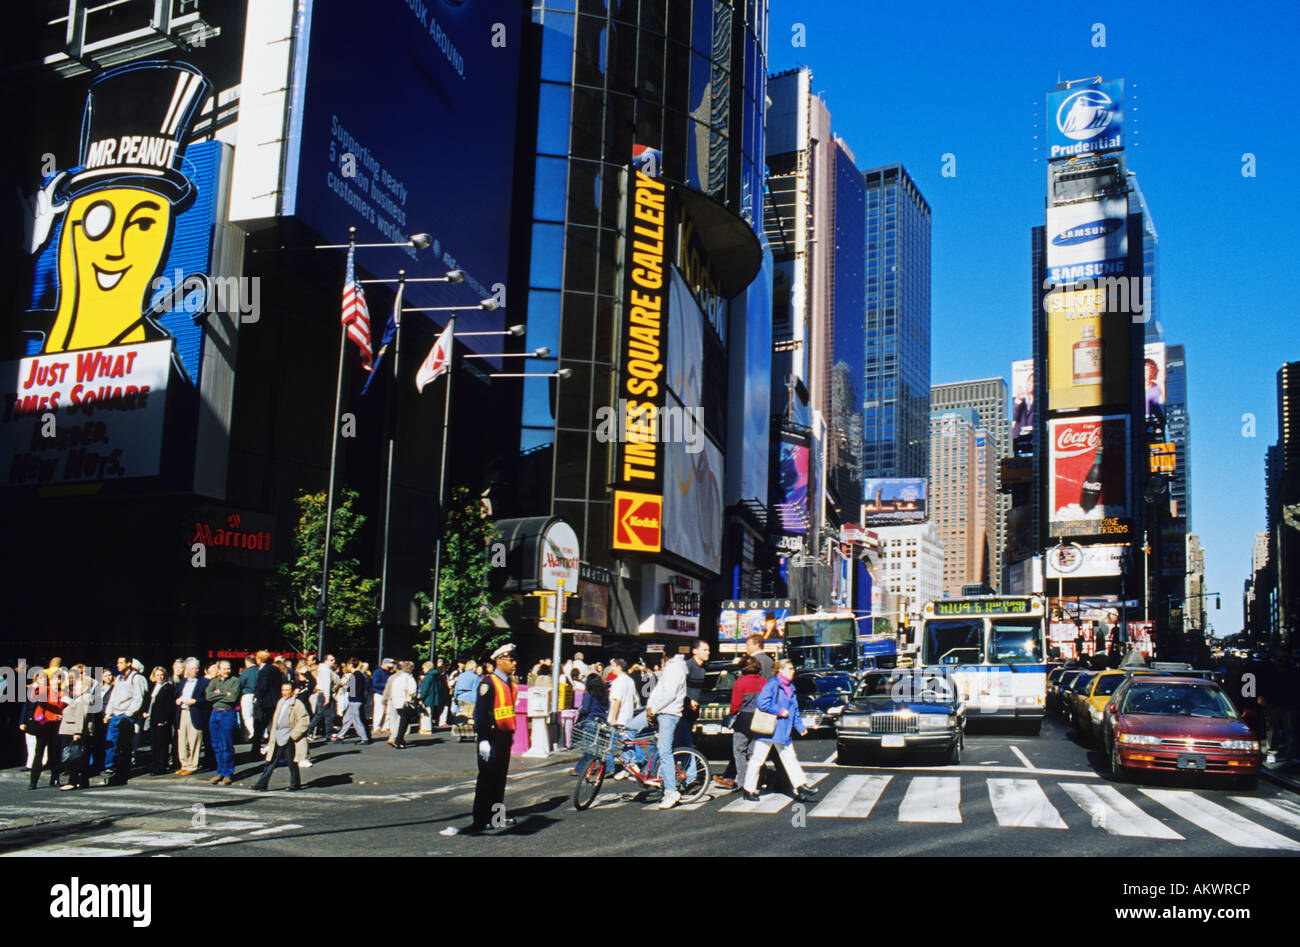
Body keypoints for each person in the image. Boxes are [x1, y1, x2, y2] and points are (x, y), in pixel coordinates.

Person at [440, 644, 519, 837]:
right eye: (511, 660)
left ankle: (496, 817)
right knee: (486, 779)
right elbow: (481, 713)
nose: (515, 663)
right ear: (499, 661)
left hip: (504, 736)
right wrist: (483, 738)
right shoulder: (488, 683)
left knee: (500, 779)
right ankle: (481, 819)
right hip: (490, 736)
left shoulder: (509, 682)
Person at [740, 659, 819, 803]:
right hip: (769, 730)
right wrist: (779, 710)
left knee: (790, 759)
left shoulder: (790, 687)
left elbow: (794, 710)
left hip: (783, 731)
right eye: (789, 668)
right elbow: (762, 703)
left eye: (792, 668)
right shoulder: (772, 685)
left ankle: (801, 787)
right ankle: (748, 789)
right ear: (780, 670)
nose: (793, 671)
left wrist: (800, 727)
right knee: (758, 760)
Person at [714, 655, 766, 791]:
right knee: (754, 752)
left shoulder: (741, 682)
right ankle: (757, 780)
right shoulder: (764, 682)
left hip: (743, 720)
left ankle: (742, 781)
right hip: (760, 719)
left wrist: (731, 714)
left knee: (739, 751)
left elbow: (735, 705)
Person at [646, 649, 689, 809]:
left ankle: (671, 791)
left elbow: (669, 694)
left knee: (664, 751)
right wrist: (649, 707)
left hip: (668, 713)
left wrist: (653, 708)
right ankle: (641, 769)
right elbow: (659, 690)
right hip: (661, 711)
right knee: (630, 728)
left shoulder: (676, 668)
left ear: (665, 653)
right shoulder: (672, 667)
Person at [254, 682, 310, 792]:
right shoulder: (281, 702)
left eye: (287, 690)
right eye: (283, 690)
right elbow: (276, 720)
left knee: (291, 761)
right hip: (278, 736)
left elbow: (304, 720)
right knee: (271, 761)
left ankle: (295, 783)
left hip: (289, 736)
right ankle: (262, 783)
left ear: (293, 691)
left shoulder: (297, 704)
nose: (284, 692)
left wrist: (294, 735)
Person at [102, 656, 146, 785]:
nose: (118, 665)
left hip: (125, 715)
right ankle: (110, 767)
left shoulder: (135, 678)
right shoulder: (119, 678)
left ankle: (122, 770)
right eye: (117, 662)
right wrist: (108, 713)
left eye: (121, 663)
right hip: (115, 714)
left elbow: (138, 698)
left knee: (124, 745)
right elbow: (113, 698)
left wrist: (129, 713)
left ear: (128, 664)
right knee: (111, 742)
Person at [23, 663, 66, 790]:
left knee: (55, 753)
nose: (56, 681)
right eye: (54, 679)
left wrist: (62, 716)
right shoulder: (45, 689)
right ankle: (33, 781)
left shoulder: (63, 693)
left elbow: (66, 708)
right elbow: (33, 696)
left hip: (56, 725)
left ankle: (55, 778)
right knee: (39, 752)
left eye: (59, 679)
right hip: (43, 725)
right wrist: (34, 686)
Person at [1258, 649, 1299, 764]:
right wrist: (1261, 697)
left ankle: (1291, 754)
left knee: (1290, 730)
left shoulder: (1292, 670)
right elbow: (1262, 684)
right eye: (1278, 658)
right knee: (1272, 729)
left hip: (1289, 704)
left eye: (1282, 658)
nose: (1280, 661)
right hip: (1272, 704)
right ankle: (1271, 752)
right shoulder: (1268, 670)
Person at [205, 660, 241, 785]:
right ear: (219, 669)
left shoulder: (235, 681)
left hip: (227, 713)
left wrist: (218, 694)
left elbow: (233, 698)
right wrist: (225, 693)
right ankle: (220, 771)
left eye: (228, 668)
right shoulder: (214, 681)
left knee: (226, 744)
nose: (227, 671)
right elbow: (208, 697)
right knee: (216, 744)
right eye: (224, 668)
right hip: (215, 713)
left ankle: (228, 773)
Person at [58, 674, 93, 791]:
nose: (74, 688)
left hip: (74, 731)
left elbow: (81, 716)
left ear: (85, 687)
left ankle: (73, 781)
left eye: (77, 685)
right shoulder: (81, 698)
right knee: (79, 757)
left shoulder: (84, 699)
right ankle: (82, 781)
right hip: (72, 730)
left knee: (75, 757)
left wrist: (78, 732)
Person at [174, 658, 207, 776]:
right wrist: (177, 700)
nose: (195, 670)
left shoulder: (203, 682)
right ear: (187, 669)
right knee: (182, 740)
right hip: (182, 712)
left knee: (194, 740)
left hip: (195, 712)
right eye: (192, 668)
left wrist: (195, 701)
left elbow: (207, 699)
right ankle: (184, 764)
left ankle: (193, 765)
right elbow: (178, 694)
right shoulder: (183, 682)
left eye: (197, 668)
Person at [143, 666, 175, 776]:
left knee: (162, 744)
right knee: (154, 744)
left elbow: (169, 705)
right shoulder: (153, 686)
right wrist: (144, 711)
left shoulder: (168, 687)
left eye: (161, 675)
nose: (159, 677)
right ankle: (155, 765)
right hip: (152, 719)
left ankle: (161, 766)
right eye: (157, 675)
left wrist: (164, 719)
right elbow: (148, 701)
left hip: (161, 720)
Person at [252, 650, 283, 752]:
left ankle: (255, 748)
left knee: (259, 725)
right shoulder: (275, 669)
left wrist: (258, 696)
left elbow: (263, 686)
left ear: (259, 659)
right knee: (273, 724)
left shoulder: (264, 671)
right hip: (275, 700)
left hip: (266, 702)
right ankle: (273, 746)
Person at [335, 660, 371, 744]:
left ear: (350, 665)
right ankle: (340, 736)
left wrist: (343, 689)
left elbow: (352, 689)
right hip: (357, 700)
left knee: (356, 720)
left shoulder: (355, 675)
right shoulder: (360, 675)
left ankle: (364, 738)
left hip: (354, 700)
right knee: (348, 718)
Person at [386, 660, 418, 748]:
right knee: (404, 723)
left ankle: (399, 739)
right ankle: (398, 740)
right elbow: (412, 691)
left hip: (397, 702)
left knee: (400, 721)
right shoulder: (409, 678)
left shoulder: (397, 678)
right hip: (406, 702)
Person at [309, 654, 339, 740]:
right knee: (327, 715)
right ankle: (326, 734)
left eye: (334, 659)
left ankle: (310, 731)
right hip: (324, 693)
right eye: (331, 660)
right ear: (326, 661)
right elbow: (326, 684)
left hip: (324, 693)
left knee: (321, 714)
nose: (334, 661)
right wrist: (327, 697)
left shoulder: (326, 669)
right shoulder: (325, 670)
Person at [418, 659, 449, 734]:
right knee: (429, 712)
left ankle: (426, 729)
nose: (423, 670)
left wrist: (421, 697)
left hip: (427, 697)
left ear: (427, 668)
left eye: (424, 668)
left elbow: (425, 688)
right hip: (433, 696)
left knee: (425, 713)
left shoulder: (428, 677)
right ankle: (428, 728)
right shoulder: (435, 675)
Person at [238, 654, 259, 742]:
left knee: (247, 716)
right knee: (257, 716)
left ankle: (252, 732)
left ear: (247, 662)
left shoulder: (245, 672)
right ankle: (261, 733)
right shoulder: (260, 671)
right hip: (258, 695)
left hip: (247, 695)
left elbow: (239, 684)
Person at [372, 658, 394, 736]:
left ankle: (386, 727)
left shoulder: (388, 672)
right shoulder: (377, 672)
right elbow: (375, 684)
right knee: (379, 711)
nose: (389, 667)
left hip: (386, 694)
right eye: (388, 666)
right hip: (379, 694)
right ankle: (377, 727)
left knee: (388, 711)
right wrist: (387, 685)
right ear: (383, 663)